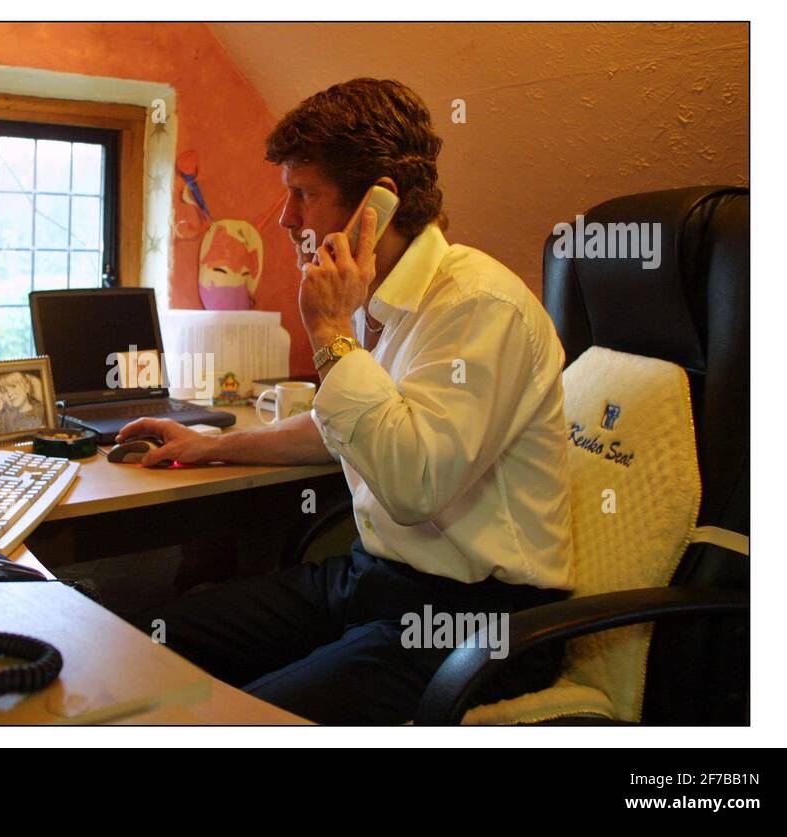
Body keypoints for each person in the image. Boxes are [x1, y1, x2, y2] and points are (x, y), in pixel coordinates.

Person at [120, 78, 575, 725]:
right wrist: (210, 444)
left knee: (234, 723)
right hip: (377, 582)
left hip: (479, 619)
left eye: (303, 194)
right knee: (148, 634)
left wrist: (330, 335)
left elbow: (413, 482)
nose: (285, 218)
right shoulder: (378, 298)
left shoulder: (479, 306)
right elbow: (343, 426)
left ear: (376, 207)